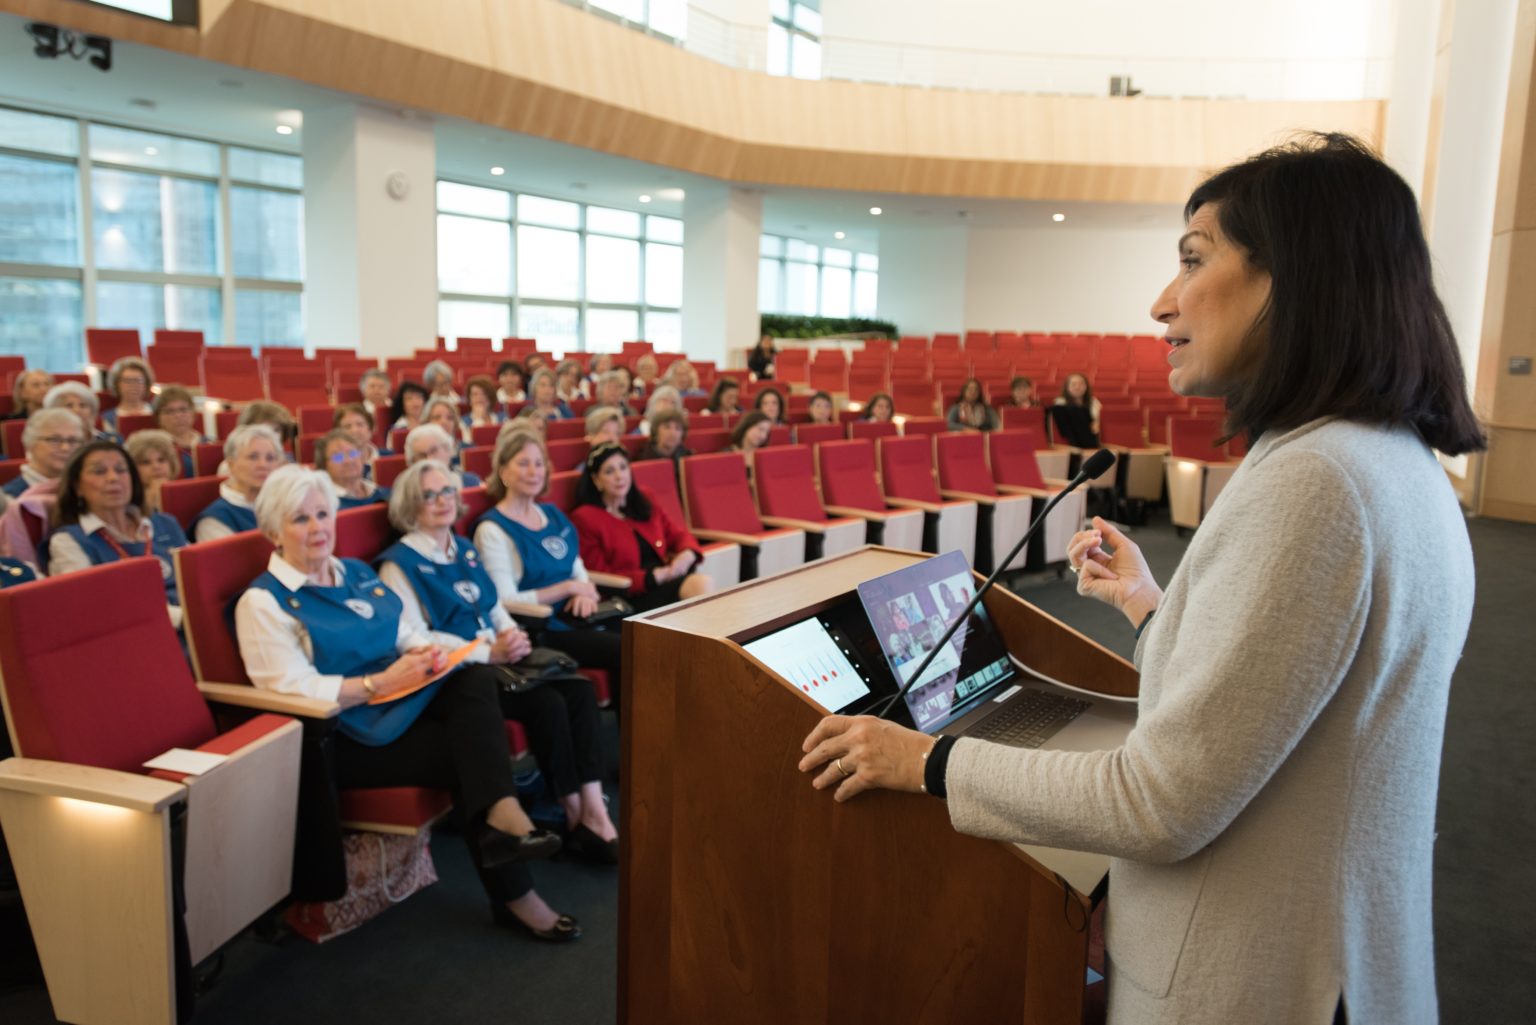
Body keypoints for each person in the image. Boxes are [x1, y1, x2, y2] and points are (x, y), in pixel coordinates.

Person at [797, 135, 1487, 1025]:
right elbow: (1284, 709)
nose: (1162, 303)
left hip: (1260, 977)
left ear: (1293, 277)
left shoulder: (1317, 482)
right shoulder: (1390, 459)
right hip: (1328, 950)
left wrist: (926, 761)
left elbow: (1160, 801)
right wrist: (1146, 605)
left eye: (1193, 260)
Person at [233, 465, 573, 940]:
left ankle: (504, 826)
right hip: (345, 738)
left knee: (471, 680)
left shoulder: (353, 572)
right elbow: (287, 687)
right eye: (300, 519)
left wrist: (424, 652)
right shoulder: (264, 603)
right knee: (469, 756)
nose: (317, 528)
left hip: (398, 710)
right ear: (273, 531)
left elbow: (403, 632)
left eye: (323, 514)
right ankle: (516, 883)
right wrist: (376, 685)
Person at [378, 461, 619, 865]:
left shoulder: (463, 549)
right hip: (458, 675)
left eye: (447, 492)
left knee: (575, 689)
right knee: (549, 703)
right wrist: (485, 651)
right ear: (409, 506)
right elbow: (415, 638)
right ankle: (575, 812)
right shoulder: (397, 563)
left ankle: (587, 808)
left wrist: (510, 633)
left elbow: (493, 606)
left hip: (500, 659)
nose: (442, 501)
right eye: (429, 495)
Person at [473, 430, 622, 680]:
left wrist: (584, 591)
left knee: (639, 634)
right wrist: (569, 588)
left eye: (539, 463)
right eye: (523, 463)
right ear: (503, 472)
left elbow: (577, 565)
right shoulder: (492, 529)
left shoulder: (551, 514)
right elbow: (507, 599)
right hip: (539, 626)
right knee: (624, 648)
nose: (534, 472)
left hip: (576, 614)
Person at [47, 440, 188, 628]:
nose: (113, 478)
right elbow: (94, 608)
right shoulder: (68, 541)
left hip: (192, 620)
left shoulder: (165, 523)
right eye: (99, 471)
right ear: (77, 487)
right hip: (136, 632)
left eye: (121, 470)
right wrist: (186, 618)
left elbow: (194, 577)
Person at [569, 444, 711, 612]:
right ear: (596, 480)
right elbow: (601, 574)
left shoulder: (644, 498)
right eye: (609, 471)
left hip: (666, 579)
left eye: (623, 468)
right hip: (630, 595)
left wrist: (687, 554)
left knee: (702, 584)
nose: (619, 476)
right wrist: (653, 577)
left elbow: (677, 534)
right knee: (700, 584)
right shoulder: (585, 517)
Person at [191, 423, 283, 541]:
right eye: (253, 457)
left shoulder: (283, 505)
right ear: (231, 464)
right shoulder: (213, 521)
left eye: (270, 458)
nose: (263, 465)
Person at [3, 408, 85, 499]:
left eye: (72, 441)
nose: (65, 448)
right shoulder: (11, 499)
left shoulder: (87, 490)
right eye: (55, 440)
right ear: (30, 443)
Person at [319, 429, 388, 509]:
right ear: (324, 466)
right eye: (338, 457)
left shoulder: (385, 495)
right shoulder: (324, 507)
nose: (348, 461)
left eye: (353, 453)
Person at [404, 423, 482, 488]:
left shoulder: (470, 482)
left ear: (448, 450)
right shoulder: (404, 491)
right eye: (421, 456)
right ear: (412, 462)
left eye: (434, 451)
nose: (429, 459)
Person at [124, 429, 181, 516]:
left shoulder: (185, 493)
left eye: (161, 460)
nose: (156, 467)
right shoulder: (125, 502)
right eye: (145, 462)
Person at [153, 386, 205, 477]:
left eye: (183, 409)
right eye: (170, 411)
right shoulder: (155, 448)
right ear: (158, 418)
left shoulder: (209, 442)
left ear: (193, 412)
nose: (178, 415)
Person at [100, 357, 154, 435]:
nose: (133, 385)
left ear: (146, 384)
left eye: (138, 380)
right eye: (127, 381)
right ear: (116, 384)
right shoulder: (107, 418)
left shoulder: (158, 412)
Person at [1050, 372, 1102, 447]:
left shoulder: (1094, 403)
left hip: (1092, 443)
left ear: (1086, 386)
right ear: (1067, 387)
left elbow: (1096, 427)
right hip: (1071, 446)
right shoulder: (1060, 405)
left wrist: (1096, 421)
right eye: (1073, 384)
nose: (1077, 387)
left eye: (1081, 384)